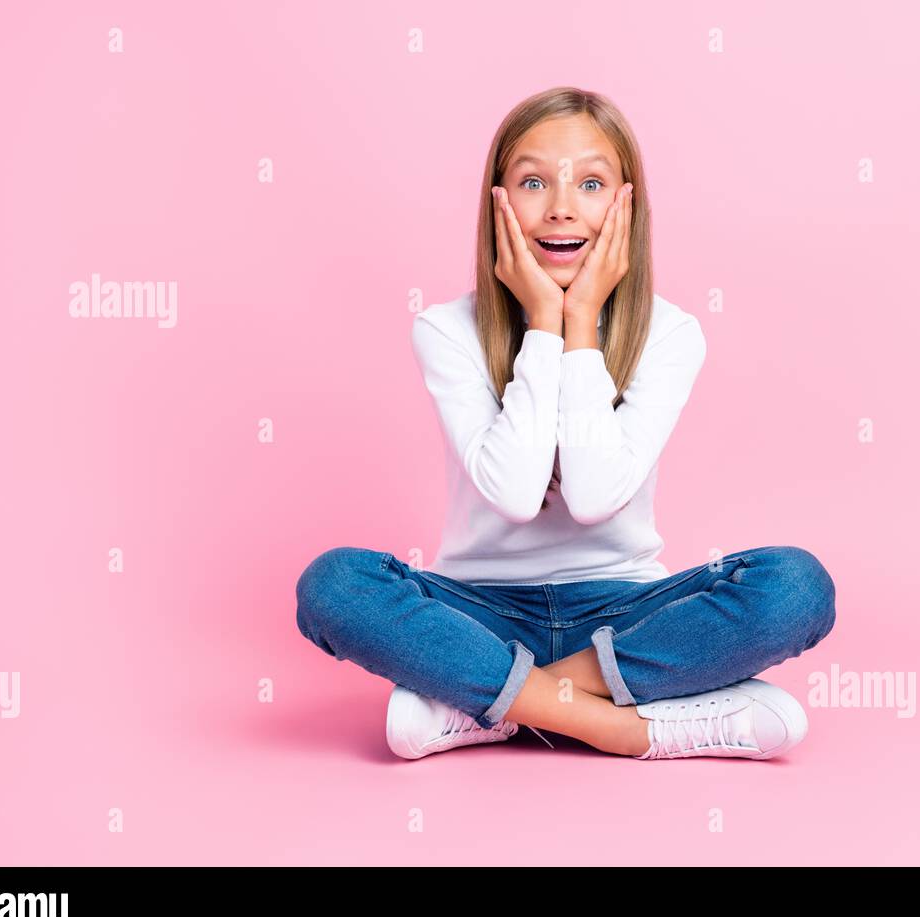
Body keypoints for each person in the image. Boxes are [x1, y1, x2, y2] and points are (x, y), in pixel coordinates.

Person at [295, 86, 836, 761]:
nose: (560, 206)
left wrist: (581, 325)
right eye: (531, 181)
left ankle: (488, 703)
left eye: (589, 182)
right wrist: (543, 326)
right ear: (497, 201)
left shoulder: (671, 333)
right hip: (477, 611)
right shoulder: (446, 330)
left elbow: (592, 498)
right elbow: (517, 496)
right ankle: (622, 725)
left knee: (795, 587)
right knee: (334, 585)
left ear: (625, 206)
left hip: (625, 613)